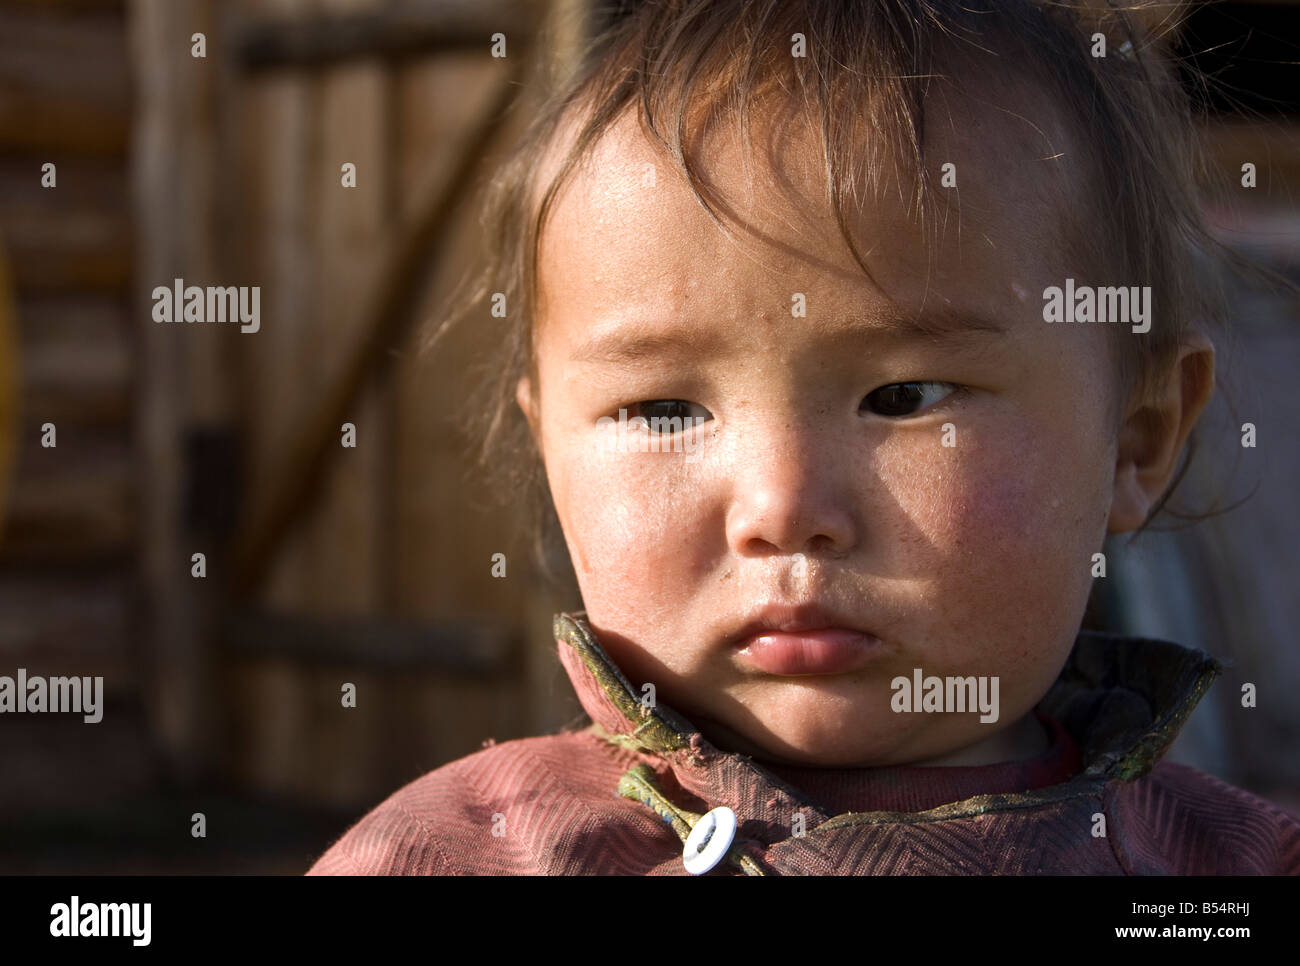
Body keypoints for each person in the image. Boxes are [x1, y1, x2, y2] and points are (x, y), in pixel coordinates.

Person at [307, 0, 1300, 874]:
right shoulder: (464, 852)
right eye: (663, 410)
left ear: (1137, 437)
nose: (781, 508)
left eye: (905, 396)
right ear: (550, 452)